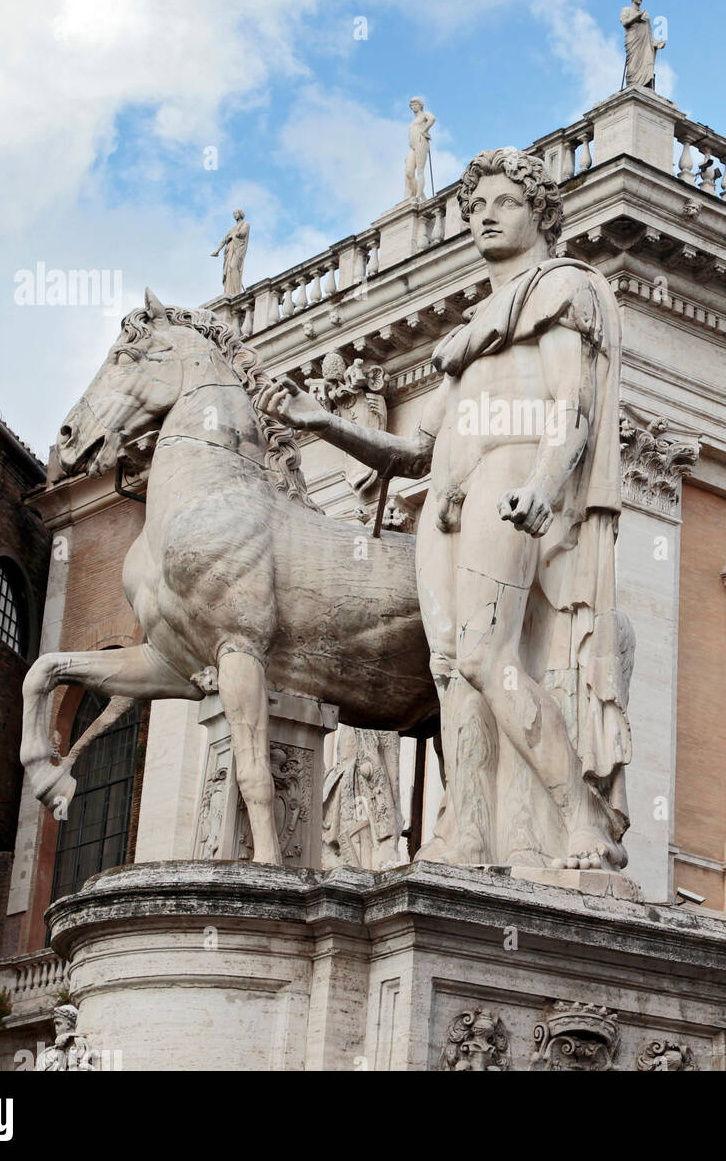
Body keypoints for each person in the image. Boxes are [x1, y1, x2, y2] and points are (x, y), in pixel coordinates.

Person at [257, 148, 630, 871]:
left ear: (541, 213)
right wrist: (324, 422)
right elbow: (413, 451)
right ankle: (470, 832)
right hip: (450, 502)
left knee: (492, 657)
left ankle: (579, 817)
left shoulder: (558, 293)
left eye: (503, 204)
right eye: (475, 208)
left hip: (512, 472)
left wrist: (547, 486)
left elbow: (573, 410)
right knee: (453, 666)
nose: (485, 217)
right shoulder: (468, 337)